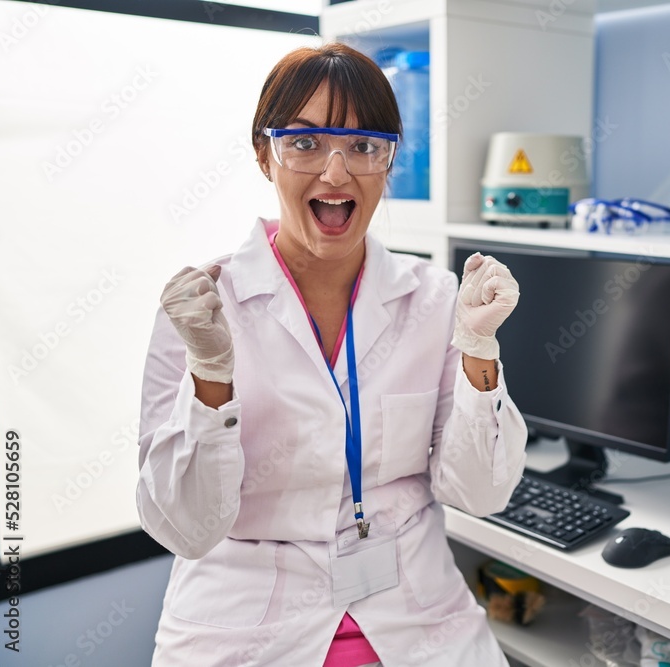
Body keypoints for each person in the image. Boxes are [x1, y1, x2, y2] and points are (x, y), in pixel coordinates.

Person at [136, 42, 527, 667]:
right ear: (265, 154)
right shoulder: (203, 310)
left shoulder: (434, 300)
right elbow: (187, 527)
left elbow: (480, 494)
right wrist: (212, 378)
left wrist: (479, 352)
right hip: (248, 621)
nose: (337, 172)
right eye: (306, 142)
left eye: (364, 146)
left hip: (414, 611)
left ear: (388, 160)